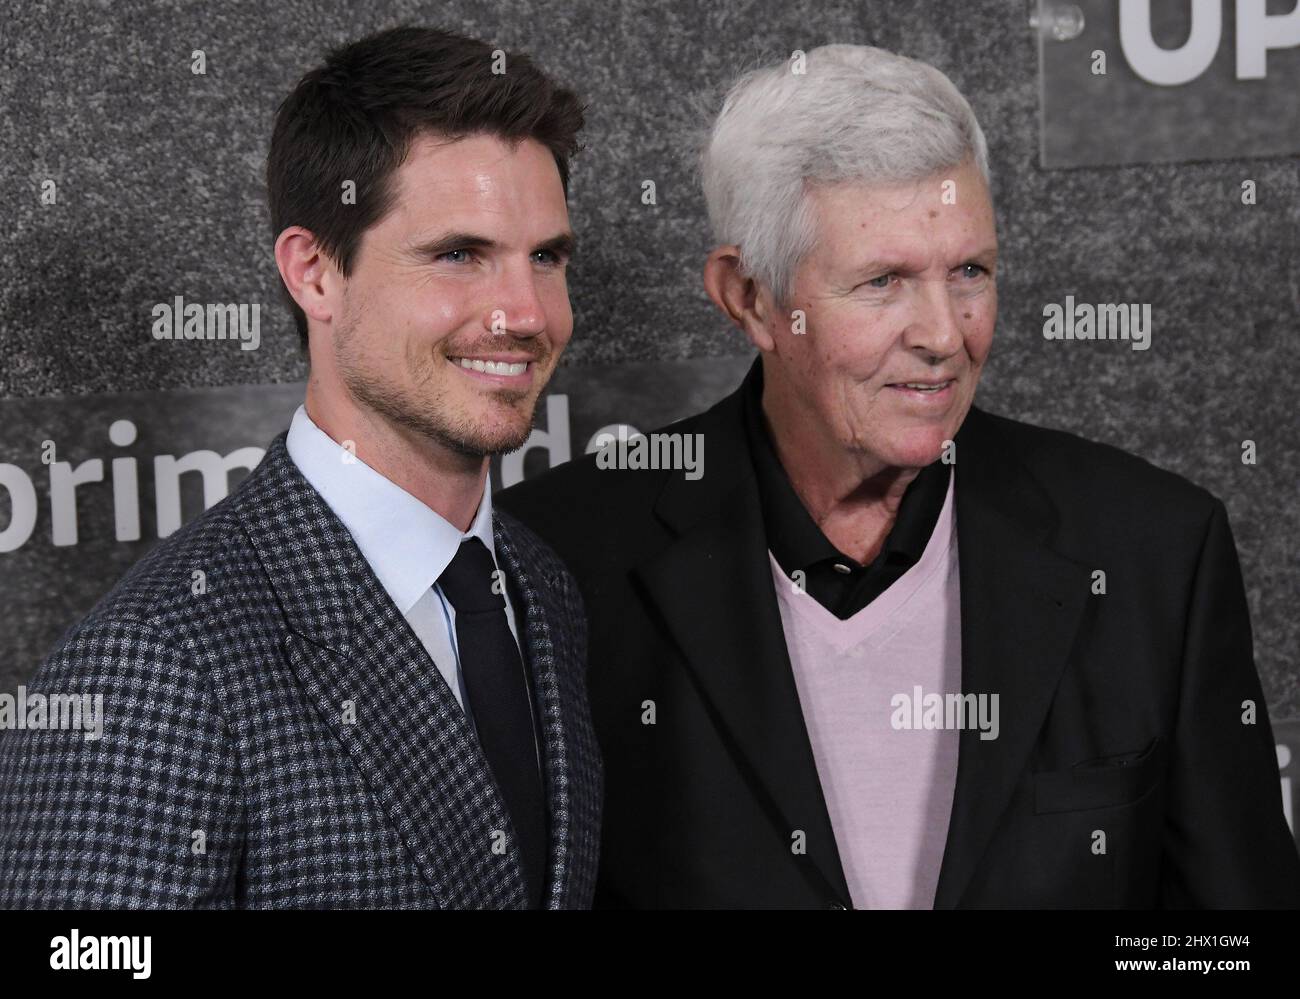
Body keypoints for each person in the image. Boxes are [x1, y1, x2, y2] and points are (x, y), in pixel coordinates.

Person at [498, 43, 1300, 908]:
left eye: (969, 273)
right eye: (883, 281)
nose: (945, 334)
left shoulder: (1153, 552)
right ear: (749, 297)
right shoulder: (559, 563)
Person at [0, 25, 600, 909]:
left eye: (545, 257)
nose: (525, 311)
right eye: (459, 254)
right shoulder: (153, 667)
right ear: (315, 272)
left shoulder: (542, 590)